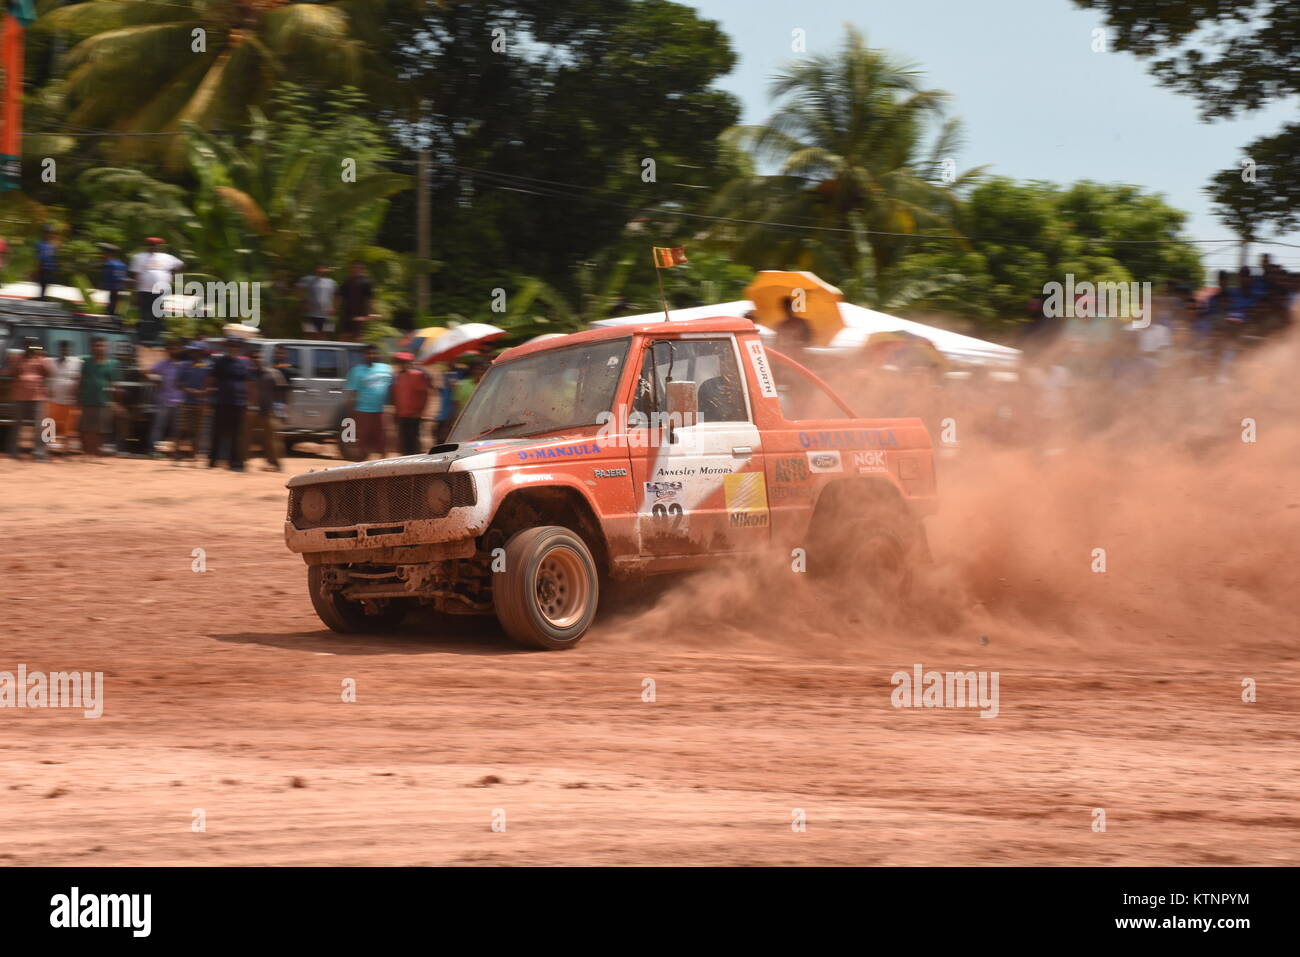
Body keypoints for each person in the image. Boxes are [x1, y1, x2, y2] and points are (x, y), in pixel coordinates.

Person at [129, 238, 183, 347]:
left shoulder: (167, 257)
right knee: (144, 314)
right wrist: (135, 292)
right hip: (144, 290)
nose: (153, 246)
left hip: (160, 291)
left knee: (158, 314)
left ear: (160, 246)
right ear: (148, 245)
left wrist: (173, 276)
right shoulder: (140, 257)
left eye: (156, 244)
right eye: (151, 244)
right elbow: (135, 276)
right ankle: (142, 338)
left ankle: (157, 338)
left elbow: (180, 265)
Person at [206, 337, 250, 471]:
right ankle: (213, 461)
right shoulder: (219, 362)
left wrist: (248, 403)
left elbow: (248, 384)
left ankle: (235, 463)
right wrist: (208, 399)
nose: (233, 349)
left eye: (236, 346)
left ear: (238, 348)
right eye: (231, 346)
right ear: (227, 348)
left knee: (237, 434)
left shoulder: (243, 364)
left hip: (238, 403)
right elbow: (211, 380)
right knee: (217, 432)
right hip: (221, 402)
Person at [4, 339, 51, 460]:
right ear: (24, 346)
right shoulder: (17, 358)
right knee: (17, 426)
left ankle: (40, 453)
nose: (29, 347)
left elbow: (48, 373)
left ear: (35, 347)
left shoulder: (40, 358)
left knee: (41, 426)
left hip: (38, 397)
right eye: (27, 345)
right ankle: (13, 452)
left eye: (32, 345)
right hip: (20, 396)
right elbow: (11, 372)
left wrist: (41, 358)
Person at [343, 343, 392, 460]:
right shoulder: (356, 371)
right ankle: (364, 466)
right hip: (363, 411)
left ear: (377, 354)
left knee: (383, 438)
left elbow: (392, 388)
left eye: (373, 353)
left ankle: (384, 465)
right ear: (363, 355)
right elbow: (351, 393)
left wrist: (391, 407)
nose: (371, 355)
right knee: (363, 440)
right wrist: (350, 412)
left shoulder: (386, 368)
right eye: (368, 353)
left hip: (381, 410)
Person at [242, 349, 288, 471]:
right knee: (245, 437)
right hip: (253, 412)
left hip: (269, 411)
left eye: (259, 357)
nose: (257, 360)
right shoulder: (250, 375)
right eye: (254, 358)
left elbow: (282, 394)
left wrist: (282, 411)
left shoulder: (273, 374)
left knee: (272, 440)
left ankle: (276, 464)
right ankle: (242, 462)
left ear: (263, 359)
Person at [77, 337, 120, 459]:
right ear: (91, 348)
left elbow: (115, 384)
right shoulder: (86, 363)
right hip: (88, 400)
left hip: (104, 401)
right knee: (86, 429)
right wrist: (78, 398)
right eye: (96, 345)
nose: (99, 348)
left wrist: (115, 402)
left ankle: (96, 453)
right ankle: (88, 453)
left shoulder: (112, 364)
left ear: (106, 348)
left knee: (101, 430)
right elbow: (81, 380)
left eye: (101, 345)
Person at [147, 340, 186, 457]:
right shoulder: (162, 364)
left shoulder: (184, 365)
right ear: (167, 351)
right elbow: (146, 372)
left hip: (179, 401)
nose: (173, 351)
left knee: (177, 429)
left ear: (179, 350)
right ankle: (153, 450)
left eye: (175, 348)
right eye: (170, 348)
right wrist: (154, 379)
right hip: (163, 400)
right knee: (158, 427)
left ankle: (175, 451)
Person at [175, 343, 211, 462]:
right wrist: (192, 391)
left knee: (197, 430)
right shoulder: (184, 365)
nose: (192, 354)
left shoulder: (206, 366)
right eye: (192, 352)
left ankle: (193, 454)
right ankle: (177, 453)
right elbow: (178, 384)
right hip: (186, 401)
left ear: (200, 352)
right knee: (183, 428)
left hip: (200, 402)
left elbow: (209, 384)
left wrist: (204, 397)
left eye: (195, 351)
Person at [46, 340, 83, 453]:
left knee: (69, 427)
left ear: (70, 350)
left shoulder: (78, 362)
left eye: (66, 349)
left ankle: (65, 450)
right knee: (48, 424)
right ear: (59, 350)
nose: (64, 351)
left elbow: (81, 378)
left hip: (70, 400)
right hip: (53, 400)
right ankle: (44, 449)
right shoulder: (50, 361)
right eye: (62, 349)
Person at [390, 352, 430, 455]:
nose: (402, 365)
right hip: (401, 414)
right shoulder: (397, 377)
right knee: (404, 440)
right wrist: (396, 411)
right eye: (400, 362)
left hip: (414, 415)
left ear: (409, 363)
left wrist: (421, 410)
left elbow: (425, 394)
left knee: (413, 440)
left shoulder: (417, 375)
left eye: (404, 362)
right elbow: (395, 395)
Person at [297, 264, 337, 339]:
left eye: (324, 268)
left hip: (326, 315)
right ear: (316, 269)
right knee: (309, 336)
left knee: (324, 337)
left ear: (327, 269)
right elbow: (299, 290)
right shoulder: (308, 279)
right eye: (320, 267)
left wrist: (334, 308)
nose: (322, 270)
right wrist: (303, 302)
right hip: (310, 314)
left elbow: (335, 296)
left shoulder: (332, 282)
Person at [338, 261, 374, 342]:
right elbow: (340, 295)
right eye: (354, 268)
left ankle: (356, 354)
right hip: (347, 313)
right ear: (351, 269)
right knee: (344, 336)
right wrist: (336, 308)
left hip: (360, 313)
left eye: (359, 268)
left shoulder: (366, 281)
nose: (356, 269)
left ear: (362, 269)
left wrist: (370, 312)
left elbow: (370, 298)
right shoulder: (347, 281)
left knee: (357, 337)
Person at [99, 244, 128, 317]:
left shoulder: (110, 264)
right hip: (118, 286)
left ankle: (111, 313)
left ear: (108, 254)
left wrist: (102, 284)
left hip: (113, 285)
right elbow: (121, 276)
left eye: (104, 253)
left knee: (113, 298)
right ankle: (112, 312)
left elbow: (109, 276)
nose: (102, 255)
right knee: (114, 298)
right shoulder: (121, 264)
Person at [34, 225, 59, 300]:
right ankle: (42, 296)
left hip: (51, 268)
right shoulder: (40, 244)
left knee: (47, 282)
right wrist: (37, 268)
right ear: (44, 234)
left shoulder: (54, 245)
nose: (49, 234)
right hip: (43, 267)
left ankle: (43, 296)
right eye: (47, 233)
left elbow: (55, 256)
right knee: (42, 282)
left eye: (51, 233)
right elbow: (38, 256)